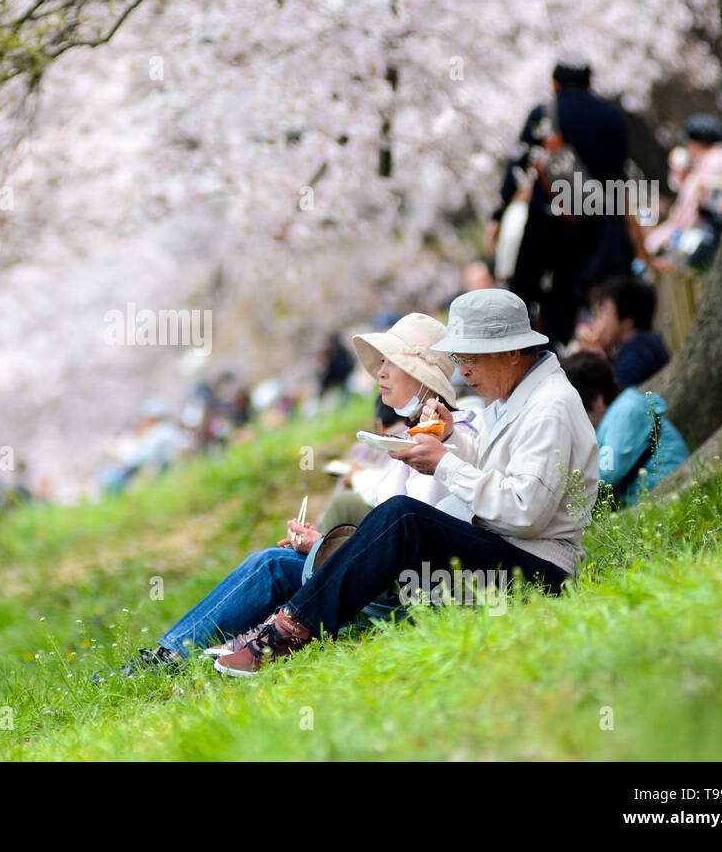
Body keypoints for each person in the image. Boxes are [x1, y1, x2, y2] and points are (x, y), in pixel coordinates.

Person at [213, 289, 598, 677]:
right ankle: (279, 628)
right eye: (459, 359)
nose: (461, 371)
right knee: (393, 522)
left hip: (540, 568)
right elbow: (493, 466)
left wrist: (444, 463)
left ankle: (286, 633)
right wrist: (455, 439)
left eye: (470, 358)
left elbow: (525, 511)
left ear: (512, 352)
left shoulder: (550, 407)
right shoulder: (511, 397)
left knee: (403, 517)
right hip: (508, 550)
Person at [93, 312, 476, 679]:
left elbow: (408, 537)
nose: (381, 373)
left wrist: (327, 545)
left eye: (392, 363)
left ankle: (183, 654)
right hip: (379, 579)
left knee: (273, 565)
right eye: (381, 362)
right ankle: (176, 652)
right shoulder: (414, 437)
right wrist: (320, 544)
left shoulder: (449, 439)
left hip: (403, 592)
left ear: (422, 376)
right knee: (275, 560)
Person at [485, 57, 634, 347]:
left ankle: (516, 349)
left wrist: (498, 214)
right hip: (589, 221)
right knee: (566, 291)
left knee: (523, 289)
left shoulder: (545, 114)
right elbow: (620, 177)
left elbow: (518, 168)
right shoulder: (612, 118)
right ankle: (557, 350)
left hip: (546, 217)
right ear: (590, 83)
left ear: (554, 83)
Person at [560, 351, 689, 507]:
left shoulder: (625, 412)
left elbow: (605, 475)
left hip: (672, 496)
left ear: (597, 400)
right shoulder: (620, 410)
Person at [646, 114, 722, 266]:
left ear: (700, 142)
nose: (687, 147)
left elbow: (694, 209)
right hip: (694, 229)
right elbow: (677, 187)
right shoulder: (700, 162)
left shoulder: (717, 159)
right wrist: (680, 170)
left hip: (705, 230)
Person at [573, 276, 670, 387]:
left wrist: (597, 361)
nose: (597, 321)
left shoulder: (639, 350)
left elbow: (614, 396)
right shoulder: (636, 345)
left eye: (604, 312)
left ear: (627, 322)